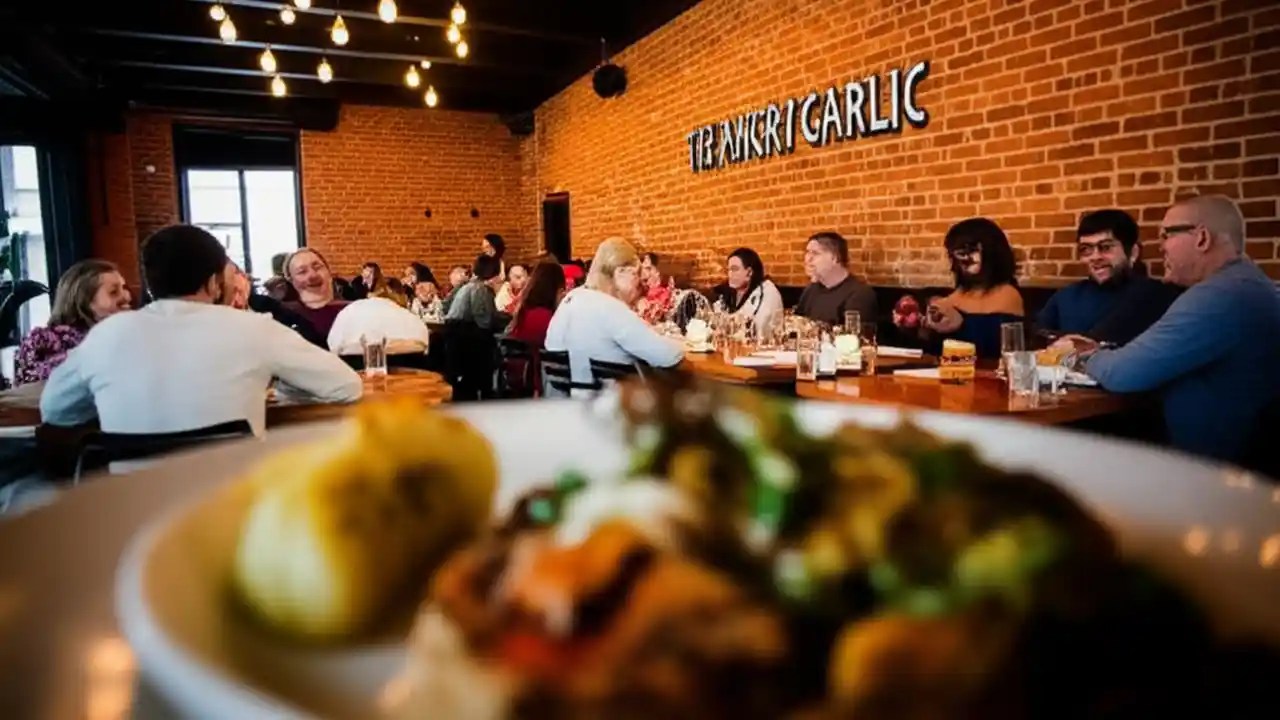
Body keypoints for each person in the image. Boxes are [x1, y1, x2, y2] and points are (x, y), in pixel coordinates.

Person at [40, 225, 361, 436]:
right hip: (236, 506)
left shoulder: (106, 335)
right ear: (213, 283)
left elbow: (54, 410)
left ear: (150, 285)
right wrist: (286, 385)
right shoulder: (254, 329)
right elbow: (347, 386)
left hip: (134, 510)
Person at [1065, 196, 1280, 464]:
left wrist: (1086, 356)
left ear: (1201, 238)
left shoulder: (1220, 296)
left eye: (1166, 235)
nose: (1160, 246)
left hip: (1211, 472)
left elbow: (1123, 373)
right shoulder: (1249, 284)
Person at [545, 238, 684, 389]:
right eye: (636, 273)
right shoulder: (610, 307)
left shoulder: (570, 299)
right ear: (619, 272)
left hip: (563, 400)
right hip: (607, 401)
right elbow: (670, 358)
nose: (641, 280)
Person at [1037, 209, 1180, 345]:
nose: (1095, 257)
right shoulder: (1067, 295)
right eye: (1086, 249)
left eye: (1105, 247)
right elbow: (1037, 335)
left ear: (1133, 252)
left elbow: (1102, 339)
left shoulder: (1154, 294)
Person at [910, 218, 1024, 358]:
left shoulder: (1008, 294)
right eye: (957, 252)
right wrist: (915, 326)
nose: (964, 259)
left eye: (970, 249)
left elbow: (999, 347)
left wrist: (962, 325)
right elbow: (932, 351)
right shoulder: (954, 296)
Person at [13, 260, 132, 386]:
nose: (127, 296)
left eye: (124, 288)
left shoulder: (128, 338)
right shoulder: (44, 343)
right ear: (84, 301)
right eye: (114, 292)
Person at [504, 262, 567, 395]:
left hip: (516, 376)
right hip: (536, 381)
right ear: (556, 289)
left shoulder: (525, 310)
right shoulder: (546, 318)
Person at [795, 232, 878, 328]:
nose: (807, 259)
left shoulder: (860, 294)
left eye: (815, 253)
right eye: (807, 252)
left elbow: (853, 336)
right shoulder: (811, 290)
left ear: (834, 258)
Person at [326, 293, 432, 357]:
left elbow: (332, 345)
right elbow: (425, 345)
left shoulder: (351, 311)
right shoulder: (407, 316)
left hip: (352, 367)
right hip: (409, 367)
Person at [282, 248, 349, 341]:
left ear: (329, 272)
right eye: (302, 272)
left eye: (317, 267)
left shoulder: (353, 311)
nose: (313, 275)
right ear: (291, 281)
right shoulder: (285, 318)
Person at [722, 247, 784, 336]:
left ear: (749, 272)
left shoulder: (768, 292)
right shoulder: (729, 292)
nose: (730, 274)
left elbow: (760, 328)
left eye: (734, 269)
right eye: (728, 270)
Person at [446, 254, 506, 331]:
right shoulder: (481, 289)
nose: (501, 278)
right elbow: (484, 321)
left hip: (455, 331)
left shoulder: (468, 286)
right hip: (467, 334)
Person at [636, 252, 674, 324]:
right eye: (641, 270)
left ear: (658, 271)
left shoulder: (668, 295)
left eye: (648, 269)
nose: (644, 274)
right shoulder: (637, 295)